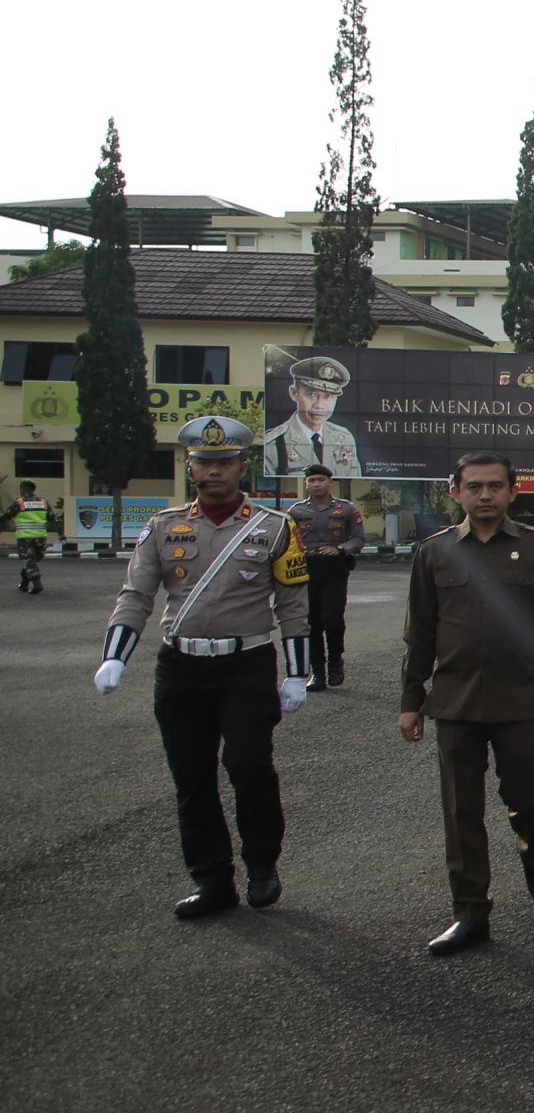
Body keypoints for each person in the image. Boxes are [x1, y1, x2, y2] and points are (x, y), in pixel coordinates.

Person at [93, 415, 312, 918]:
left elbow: (293, 605)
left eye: (224, 462)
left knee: (249, 766)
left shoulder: (275, 528)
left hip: (246, 665)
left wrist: (296, 672)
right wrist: (114, 656)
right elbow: (136, 596)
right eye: (204, 461)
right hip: (182, 667)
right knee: (192, 778)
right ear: (190, 465)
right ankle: (213, 880)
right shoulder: (165, 526)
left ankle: (261, 864)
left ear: (241, 466)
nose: (214, 470)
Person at [398, 452, 534, 956]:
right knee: (461, 813)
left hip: (519, 701)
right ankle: (470, 912)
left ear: (511, 491)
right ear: (454, 491)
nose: (484, 496)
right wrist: (411, 700)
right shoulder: (434, 553)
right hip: (454, 704)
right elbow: (420, 634)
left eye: (495, 487)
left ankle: (532, 849)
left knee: (528, 799)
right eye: (473, 487)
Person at [287, 465, 367, 688]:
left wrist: (340, 549)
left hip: (334, 569)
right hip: (306, 570)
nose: (316, 484)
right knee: (311, 623)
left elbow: (359, 539)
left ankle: (335, 662)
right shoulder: (295, 511)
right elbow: (288, 540)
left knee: (332, 619)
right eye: (312, 480)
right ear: (306, 484)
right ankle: (317, 672)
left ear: (330, 482)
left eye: (321, 479)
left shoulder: (347, 509)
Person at [260, 355, 362, 478]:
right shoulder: (274, 444)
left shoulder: (344, 439)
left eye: (328, 396)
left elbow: (353, 478)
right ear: (294, 393)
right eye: (311, 394)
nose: (319, 405)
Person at [16, 479, 50, 594]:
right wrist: (61, 534)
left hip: (25, 538)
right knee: (32, 560)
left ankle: (37, 585)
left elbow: (6, 515)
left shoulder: (19, 502)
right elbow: (53, 519)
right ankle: (24, 585)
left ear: (22, 489)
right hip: (40, 538)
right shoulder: (43, 502)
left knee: (29, 561)